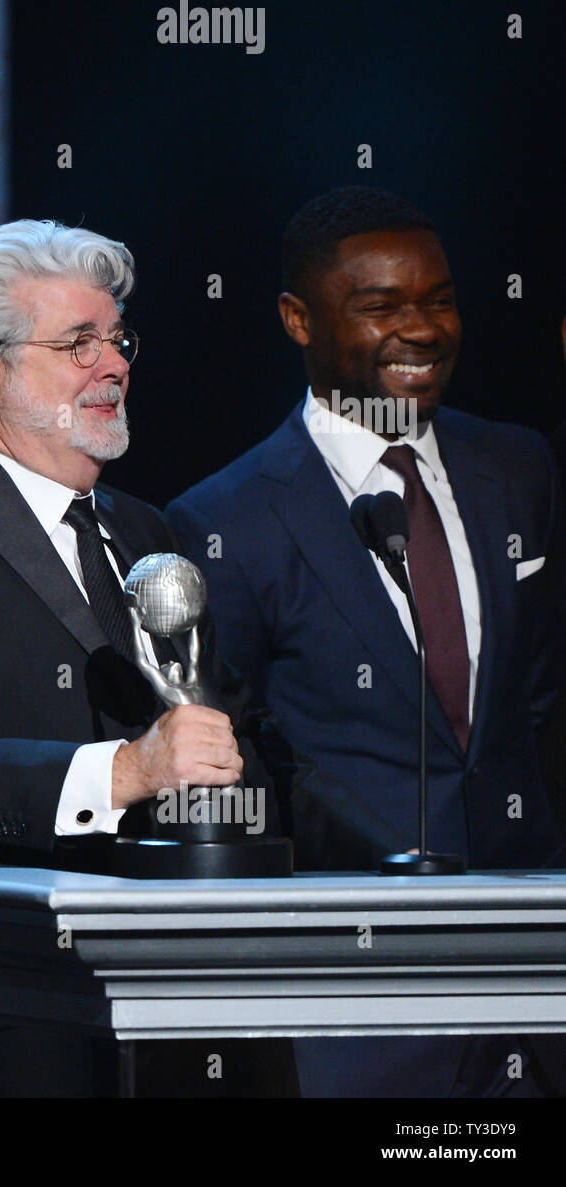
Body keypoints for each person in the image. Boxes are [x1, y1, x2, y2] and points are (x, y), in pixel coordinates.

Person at [0, 219, 295, 1096]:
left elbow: (228, 728)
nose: (113, 364)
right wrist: (125, 770)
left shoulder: (146, 530)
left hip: (185, 1015)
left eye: (116, 339)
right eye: (78, 343)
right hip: (3, 1022)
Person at [166, 185, 565, 1096]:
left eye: (439, 299)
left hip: (537, 994)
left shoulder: (518, 468)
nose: (419, 330)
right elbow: (239, 779)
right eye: (380, 306)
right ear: (298, 319)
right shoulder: (224, 520)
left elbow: (539, 702)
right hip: (361, 1008)